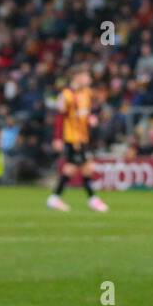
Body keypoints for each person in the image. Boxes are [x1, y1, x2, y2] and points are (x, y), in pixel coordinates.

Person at [47, 68, 108, 213]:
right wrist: (57, 138)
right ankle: (91, 199)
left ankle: (56, 198)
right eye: (87, 76)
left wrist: (91, 118)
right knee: (81, 168)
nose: (89, 79)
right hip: (72, 138)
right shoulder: (66, 95)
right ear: (77, 77)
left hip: (84, 137)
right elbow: (59, 118)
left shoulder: (86, 93)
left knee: (79, 168)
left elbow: (88, 112)